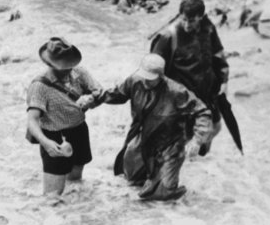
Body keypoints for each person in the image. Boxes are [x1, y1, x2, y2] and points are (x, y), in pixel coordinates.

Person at [81, 54, 212, 201]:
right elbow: (116, 94)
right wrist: (94, 99)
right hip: (143, 136)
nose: (146, 81)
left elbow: (203, 112)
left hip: (170, 142)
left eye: (151, 79)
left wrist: (197, 140)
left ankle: (169, 183)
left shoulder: (177, 91)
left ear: (161, 76)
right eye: (144, 76)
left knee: (163, 193)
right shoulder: (134, 80)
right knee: (130, 179)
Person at [150, 0, 229, 152]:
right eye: (184, 19)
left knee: (215, 128)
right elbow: (152, 69)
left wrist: (224, 81)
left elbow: (218, 55)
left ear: (201, 17)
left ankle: (200, 158)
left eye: (191, 21)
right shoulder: (168, 37)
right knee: (182, 141)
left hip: (207, 91)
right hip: (182, 98)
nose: (186, 24)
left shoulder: (208, 28)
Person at [26, 37, 101, 198]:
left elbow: (99, 93)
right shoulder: (39, 86)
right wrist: (46, 143)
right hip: (54, 136)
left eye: (70, 64)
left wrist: (92, 99)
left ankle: (76, 211)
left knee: (75, 183)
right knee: (52, 195)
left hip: (79, 130)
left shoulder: (79, 72)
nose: (68, 69)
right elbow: (32, 120)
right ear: (50, 64)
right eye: (63, 66)